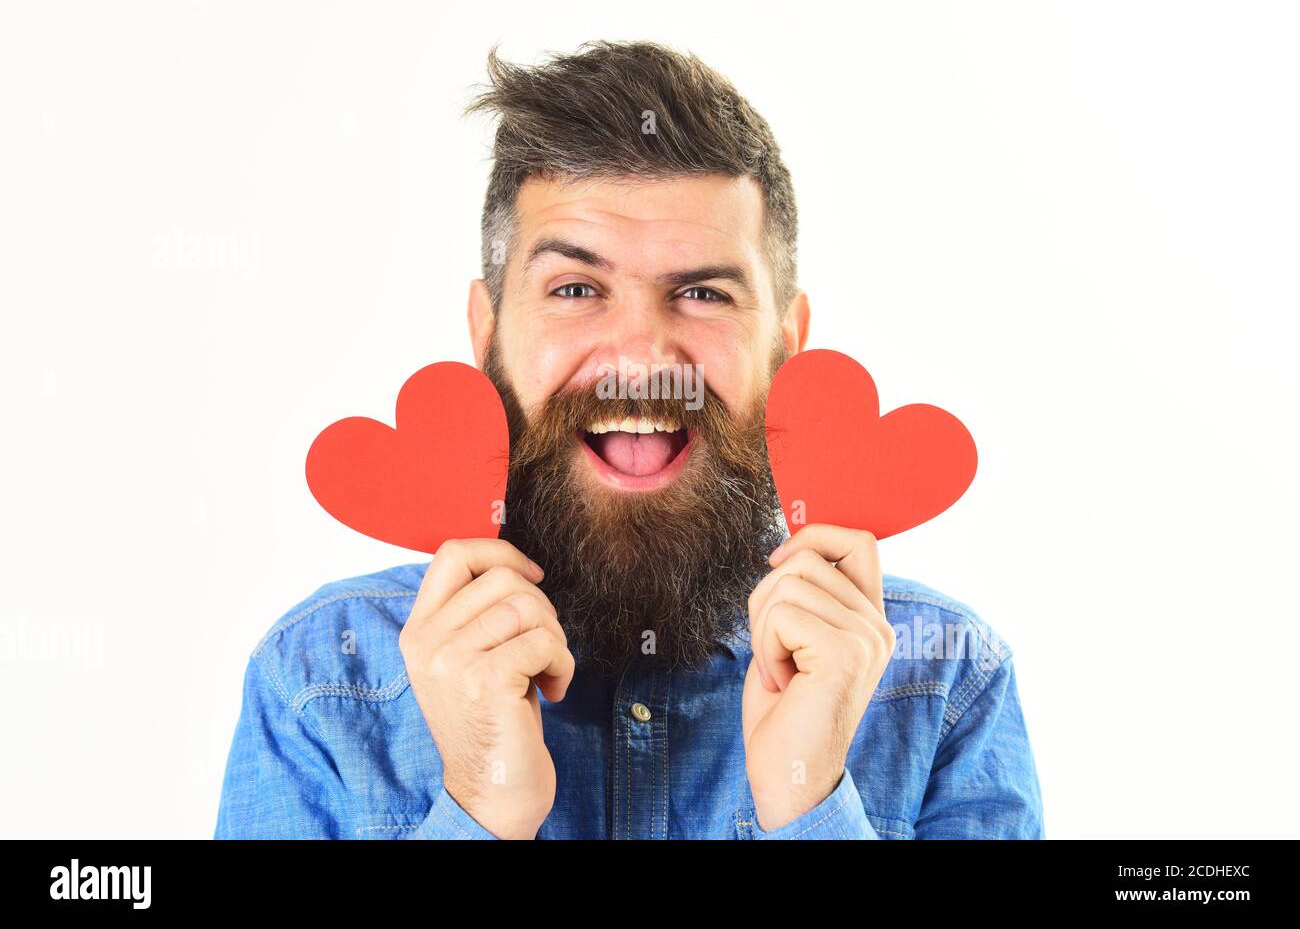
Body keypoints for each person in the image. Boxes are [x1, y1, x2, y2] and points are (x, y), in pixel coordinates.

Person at [215, 41, 1044, 839]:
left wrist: (811, 804)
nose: (642, 356)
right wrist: (477, 809)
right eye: (576, 287)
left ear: (788, 344)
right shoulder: (320, 680)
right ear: (486, 332)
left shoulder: (946, 679)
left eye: (704, 293)